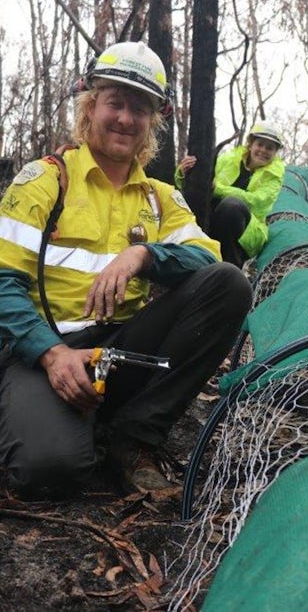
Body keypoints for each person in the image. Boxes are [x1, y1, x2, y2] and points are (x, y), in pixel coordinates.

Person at [0, 42, 250, 496]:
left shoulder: (159, 197)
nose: (125, 119)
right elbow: (1, 282)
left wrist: (143, 256)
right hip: (43, 350)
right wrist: (52, 354)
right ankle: (47, 413)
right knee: (49, 471)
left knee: (228, 284)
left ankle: (133, 438)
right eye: (115, 102)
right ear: (91, 105)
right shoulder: (45, 179)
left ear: (153, 122)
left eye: (140, 109)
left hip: (118, 351)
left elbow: (209, 258)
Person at [178, 122, 285, 265]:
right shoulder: (229, 159)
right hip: (212, 221)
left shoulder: (274, 176)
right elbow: (202, 181)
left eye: (270, 148)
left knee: (231, 206)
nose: (263, 150)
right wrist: (183, 174)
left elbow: (256, 202)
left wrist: (218, 189)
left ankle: (231, 266)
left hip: (247, 232)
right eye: (260, 144)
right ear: (251, 144)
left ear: (275, 152)